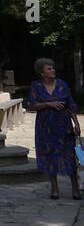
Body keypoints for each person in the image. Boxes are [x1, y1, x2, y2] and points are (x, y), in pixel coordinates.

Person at [25, 58, 81, 200]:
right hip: (45, 128)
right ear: (42, 72)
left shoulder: (62, 85)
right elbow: (31, 105)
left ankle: (75, 188)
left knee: (69, 156)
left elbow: (71, 105)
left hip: (64, 126)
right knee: (49, 156)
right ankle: (54, 188)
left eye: (53, 68)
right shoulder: (36, 86)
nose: (53, 70)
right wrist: (48, 104)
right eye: (49, 69)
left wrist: (76, 123)